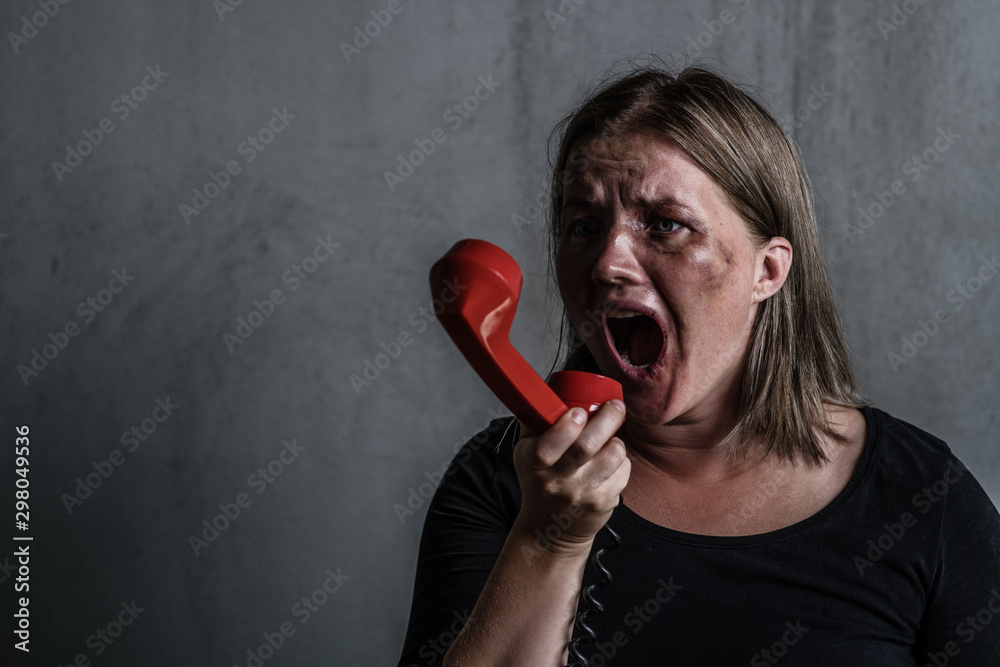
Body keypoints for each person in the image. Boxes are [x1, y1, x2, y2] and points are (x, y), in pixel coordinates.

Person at [397, 65, 1000, 666]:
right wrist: (546, 539)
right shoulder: (499, 481)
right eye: (583, 225)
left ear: (767, 271)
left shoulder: (923, 497)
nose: (608, 263)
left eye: (665, 225)